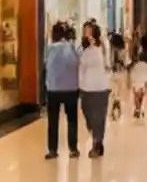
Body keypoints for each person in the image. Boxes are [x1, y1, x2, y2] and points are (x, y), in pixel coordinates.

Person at [43, 22, 80, 159]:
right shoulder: (71, 47)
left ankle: (53, 149)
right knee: (72, 120)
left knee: (53, 121)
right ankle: (73, 148)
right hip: (71, 88)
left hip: (53, 89)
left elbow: (45, 64)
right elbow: (77, 63)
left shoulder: (49, 49)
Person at [78, 22, 110, 158]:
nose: (86, 33)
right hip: (86, 87)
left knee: (99, 117)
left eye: (89, 31)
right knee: (88, 116)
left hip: (100, 86)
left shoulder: (103, 46)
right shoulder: (83, 48)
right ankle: (97, 140)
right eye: (85, 31)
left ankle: (97, 143)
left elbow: (107, 64)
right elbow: (80, 67)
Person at [129, 33, 147, 119]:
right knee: (143, 91)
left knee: (136, 91)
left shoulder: (138, 50)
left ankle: (137, 108)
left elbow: (133, 60)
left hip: (137, 70)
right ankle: (140, 108)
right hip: (145, 71)